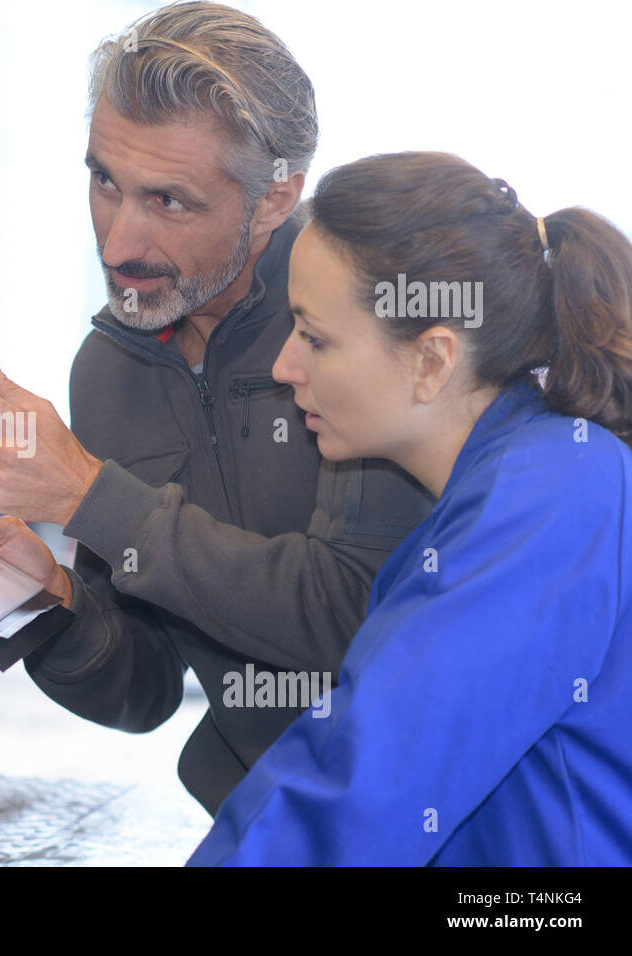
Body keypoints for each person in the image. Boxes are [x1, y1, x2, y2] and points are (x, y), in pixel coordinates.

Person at [0, 2, 434, 815]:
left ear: (275, 198)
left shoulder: (367, 323)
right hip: (271, 819)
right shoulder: (111, 369)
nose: (119, 243)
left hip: (456, 822)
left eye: (169, 202)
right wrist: (49, 603)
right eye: (104, 182)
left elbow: (355, 622)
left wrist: (94, 496)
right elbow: (148, 685)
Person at [188, 150, 632, 865]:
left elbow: (365, 787)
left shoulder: (556, 489)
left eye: (315, 336)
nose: (283, 366)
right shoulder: (510, 487)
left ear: (432, 360)